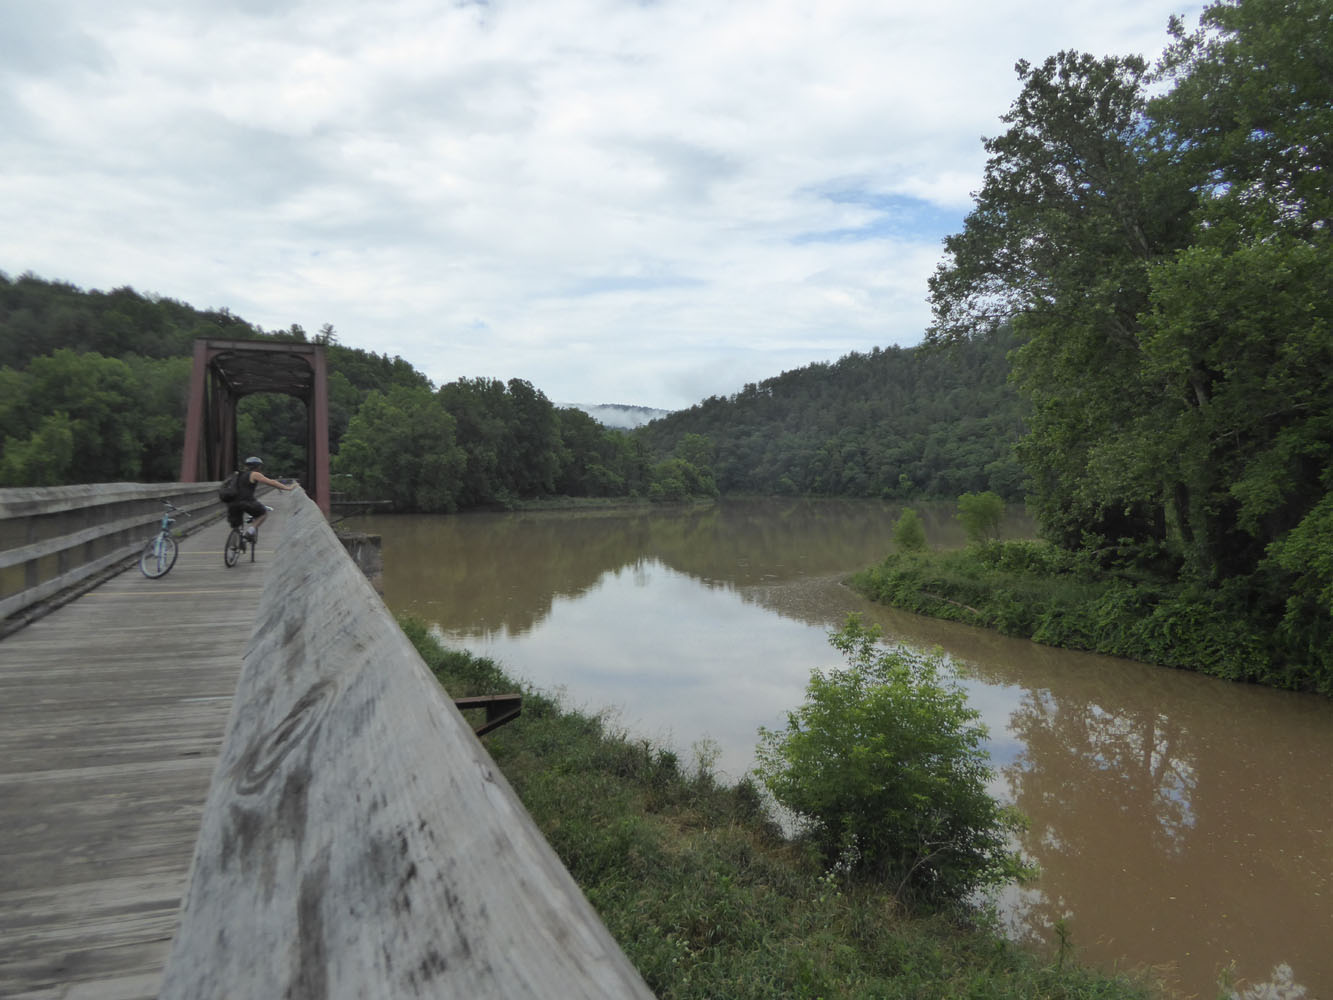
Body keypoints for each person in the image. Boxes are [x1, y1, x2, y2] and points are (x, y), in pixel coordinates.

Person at [228, 456, 295, 537]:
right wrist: (288, 488)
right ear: (258, 466)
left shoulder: (238, 474)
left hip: (232, 503)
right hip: (246, 502)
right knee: (263, 513)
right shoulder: (255, 474)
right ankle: (250, 531)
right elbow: (271, 482)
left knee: (236, 524)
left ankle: (234, 544)